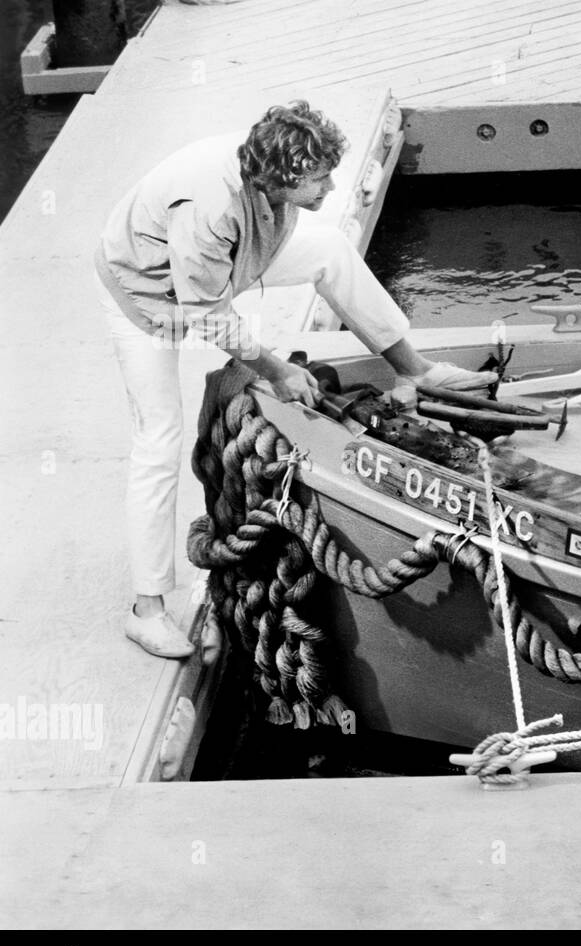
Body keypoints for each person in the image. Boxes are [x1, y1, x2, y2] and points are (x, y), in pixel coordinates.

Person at [96, 100, 496, 659]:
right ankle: (148, 611)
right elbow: (210, 314)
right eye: (319, 177)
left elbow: (223, 284)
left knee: (330, 249)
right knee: (158, 439)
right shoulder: (208, 207)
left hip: (230, 259)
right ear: (282, 176)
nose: (331, 186)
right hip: (147, 293)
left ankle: (417, 369)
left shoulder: (271, 157)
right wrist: (277, 371)